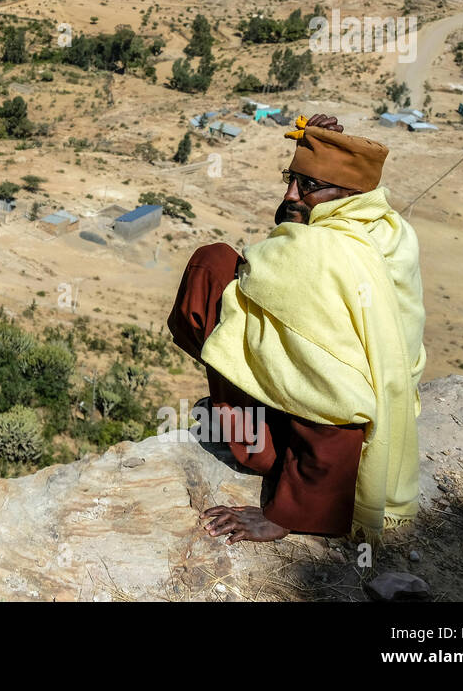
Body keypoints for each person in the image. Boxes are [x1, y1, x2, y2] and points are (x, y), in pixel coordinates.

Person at [167, 114, 426, 543]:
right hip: (383, 413)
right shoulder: (387, 228)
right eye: (291, 178)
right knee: (224, 276)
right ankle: (256, 408)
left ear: (347, 193)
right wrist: (324, 161)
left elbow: (337, 395)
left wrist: (284, 514)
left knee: (213, 275)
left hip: (333, 454)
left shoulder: (320, 255)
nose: (291, 194)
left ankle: (258, 434)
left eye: (306, 185)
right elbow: (296, 222)